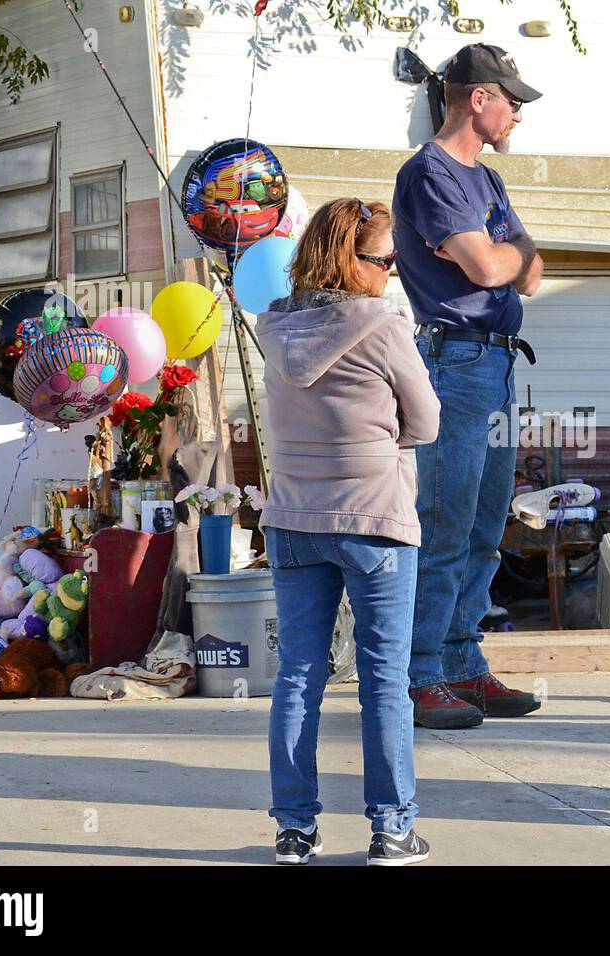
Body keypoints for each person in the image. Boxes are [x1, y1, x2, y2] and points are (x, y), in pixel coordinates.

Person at [260, 198, 440, 866]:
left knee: (299, 675)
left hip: (293, 521)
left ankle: (294, 830)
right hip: (375, 519)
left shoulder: (272, 328)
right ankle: (393, 828)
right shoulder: (385, 326)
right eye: (384, 260)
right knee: (383, 680)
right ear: (349, 259)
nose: (392, 272)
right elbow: (426, 421)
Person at [392, 43, 545, 730]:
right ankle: (421, 670)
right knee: (448, 522)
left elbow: (531, 271)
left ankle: (459, 661)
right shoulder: (430, 174)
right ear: (477, 97)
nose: (518, 112)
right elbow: (491, 269)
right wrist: (503, 257)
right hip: (456, 363)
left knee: (486, 525)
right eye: (512, 99)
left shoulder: (485, 181)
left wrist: (503, 258)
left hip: (495, 363)